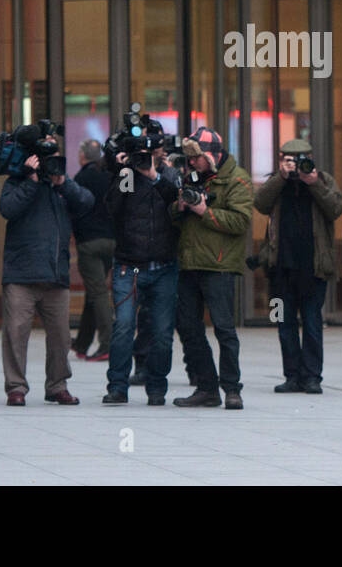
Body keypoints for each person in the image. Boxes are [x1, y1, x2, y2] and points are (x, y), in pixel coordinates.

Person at [0, 136, 94, 406]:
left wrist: (63, 182)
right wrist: (30, 180)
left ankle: (57, 385)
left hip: (56, 275)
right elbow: (8, 209)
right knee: (16, 333)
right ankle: (16, 388)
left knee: (61, 336)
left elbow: (87, 203)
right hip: (21, 274)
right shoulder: (17, 182)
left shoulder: (61, 186)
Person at [254, 139, 342, 393]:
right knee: (284, 323)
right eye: (290, 160)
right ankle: (292, 375)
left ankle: (312, 376)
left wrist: (313, 183)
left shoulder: (323, 180)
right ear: (282, 159)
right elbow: (260, 204)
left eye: (301, 159)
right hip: (281, 267)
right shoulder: (277, 181)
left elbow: (336, 208)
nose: (297, 166)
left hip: (314, 267)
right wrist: (281, 177)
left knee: (313, 322)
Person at [172, 127, 254, 410]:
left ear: (211, 155)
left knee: (224, 328)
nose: (191, 163)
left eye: (195, 158)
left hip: (219, 265)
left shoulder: (237, 180)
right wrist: (180, 207)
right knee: (188, 327)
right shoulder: (193, 176)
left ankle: (232, 389)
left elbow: (240, 223)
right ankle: (206, 387)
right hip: (190, 263)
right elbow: (174, 218)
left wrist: (205, 212)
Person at [102, 146, 180, 405]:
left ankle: (156, 387)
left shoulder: (168, 175)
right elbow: (111, 210)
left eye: (148, 155)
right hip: (129, 266)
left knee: (162, 332)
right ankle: (117, 387)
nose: (143, 161)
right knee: (124, 327)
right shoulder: (126, 177)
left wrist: (154, 175)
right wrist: (125, 173)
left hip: (163, 267)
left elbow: (176, 203)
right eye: (140, 157)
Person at [72, 139, 115, 362]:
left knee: (98, 293)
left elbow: (75, 208)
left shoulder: (81, 178)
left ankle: (107, 344)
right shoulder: (110, 175)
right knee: (94, 290)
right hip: (111, 240)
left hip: (89, 242)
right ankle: (82, 342)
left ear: (82, 156)